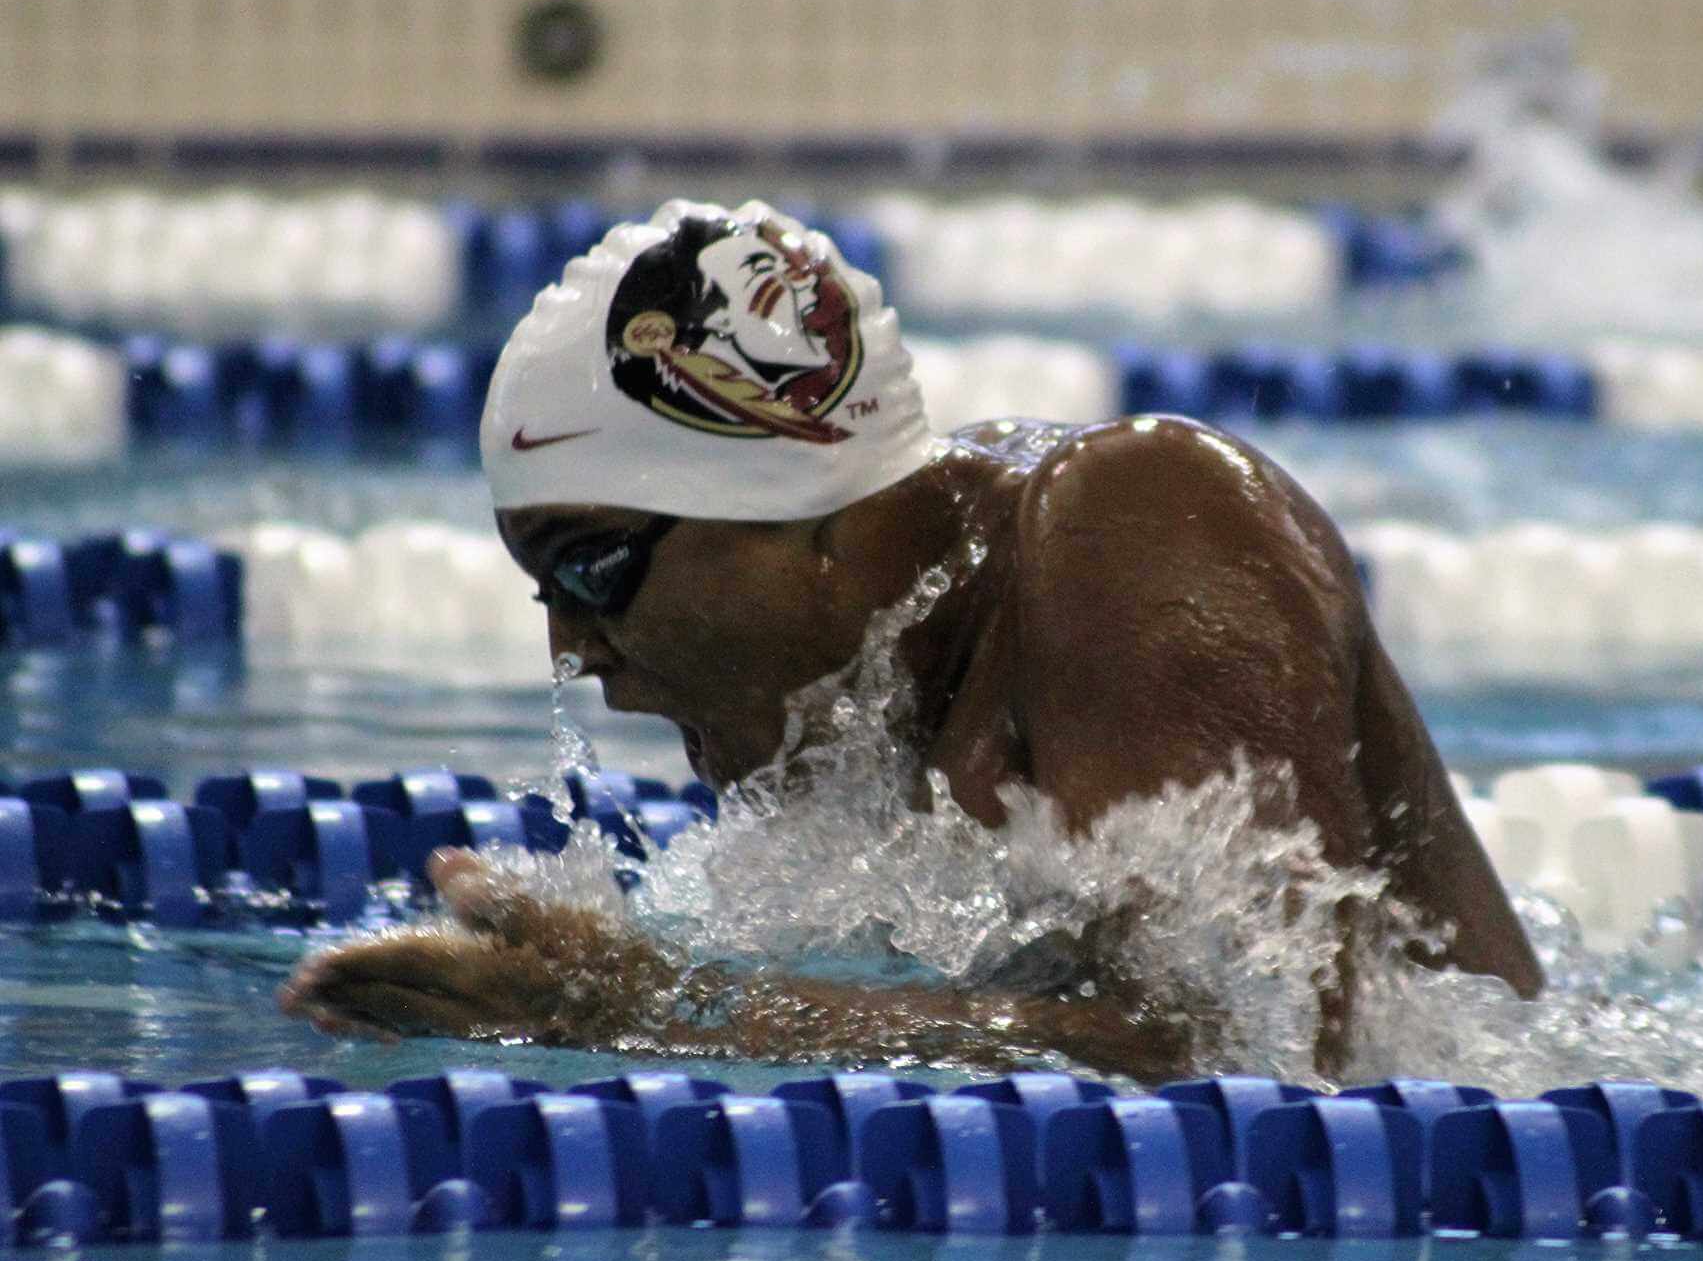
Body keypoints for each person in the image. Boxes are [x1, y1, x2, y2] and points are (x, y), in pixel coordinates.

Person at [279, 199, 1541, 1083]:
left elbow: (1248, 1055)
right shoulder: (883, 691)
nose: (571, 649)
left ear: (787, 514)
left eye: (589, 569)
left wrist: (639, 1009)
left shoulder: (1137, 525)